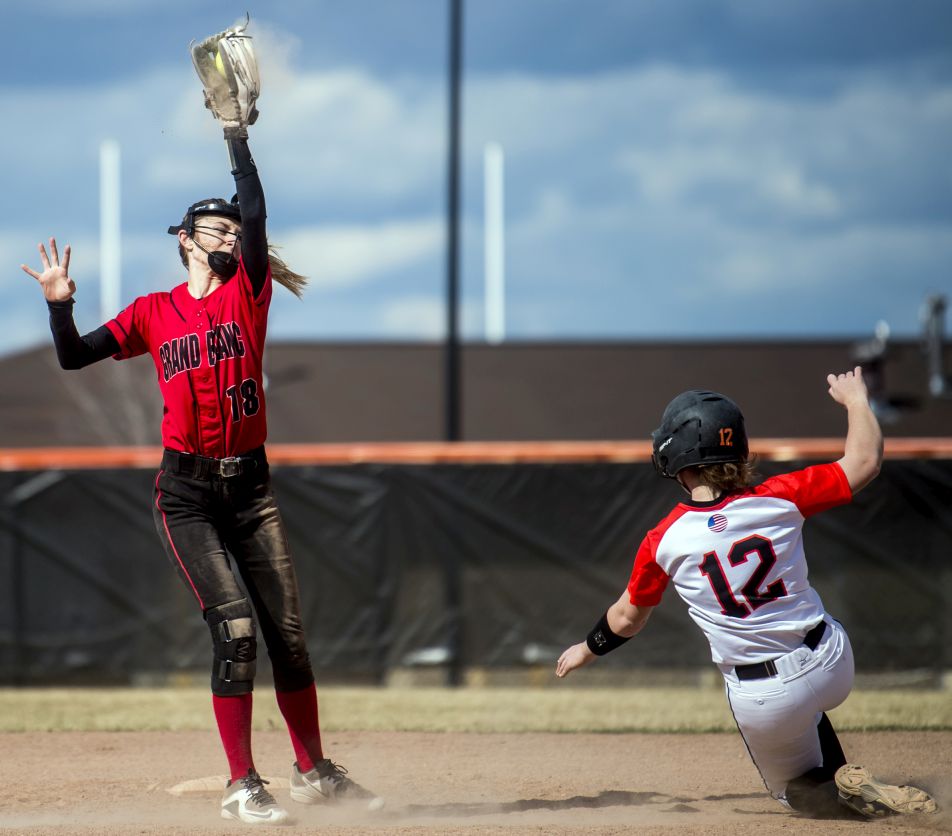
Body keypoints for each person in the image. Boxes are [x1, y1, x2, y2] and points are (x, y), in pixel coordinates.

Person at [21, 133, 381, 825]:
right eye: (216, 226)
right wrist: (61, 306)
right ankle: (242, 782)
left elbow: (257, 214)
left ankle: (312, 770)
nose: (231, 232)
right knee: (236, 632)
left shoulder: (250, 290)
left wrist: (237, 138)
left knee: (290, 637)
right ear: (184, 240)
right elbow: (72, 358)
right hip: (187, 495)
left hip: (251, 492)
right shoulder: (154, 312)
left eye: (234, 228)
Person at [555, 368, 938, 820]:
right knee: (808, 706)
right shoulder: (780, 498)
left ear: (676, 456)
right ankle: (843, 771)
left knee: (796, 792)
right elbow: (864, 463)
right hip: (832, 658)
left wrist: (587, 648)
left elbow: (626, 619)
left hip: (766, 693)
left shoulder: (665, 539)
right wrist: (857, 401)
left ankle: (843, 788)